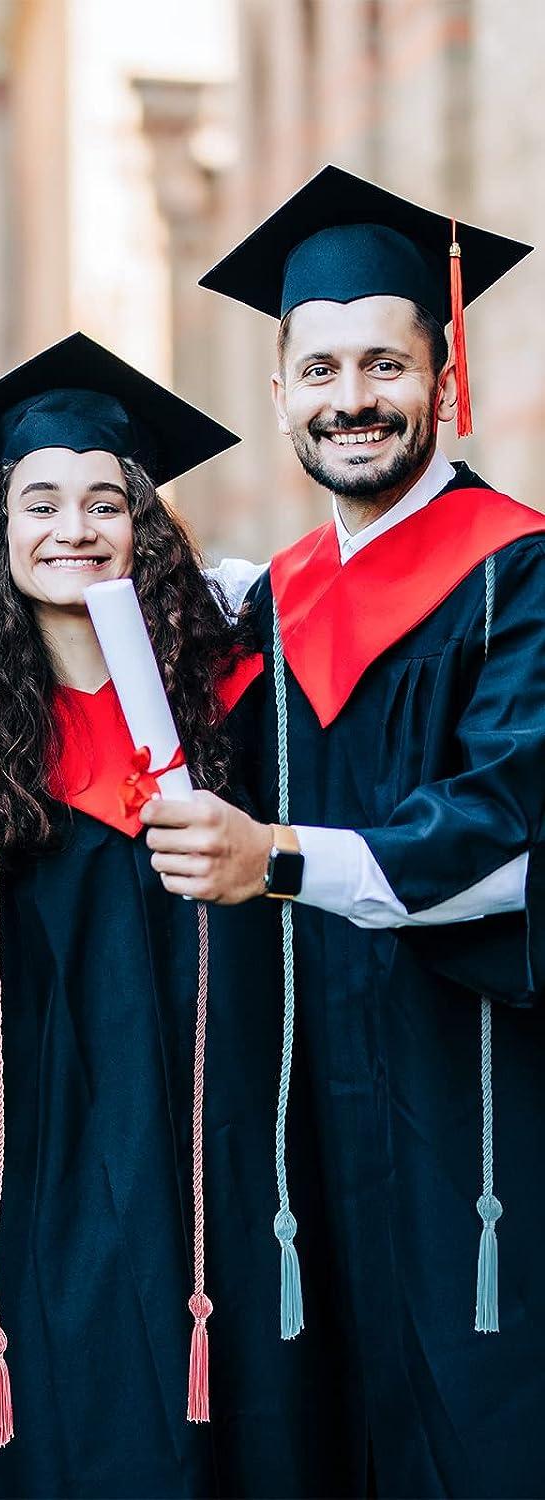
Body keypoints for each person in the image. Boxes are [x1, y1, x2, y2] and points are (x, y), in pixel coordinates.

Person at [142, 164, 545, 1496]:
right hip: (301, 1109)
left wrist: (283, 859)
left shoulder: (520, 573)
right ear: (279, 398)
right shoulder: (271, 606)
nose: (353, 398)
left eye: (385, 363)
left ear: (446, 376)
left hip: (478, 1101)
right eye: (319, 371)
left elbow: (504, 832)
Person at [0, 332, 345, 1495]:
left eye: (107, 501)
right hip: (48, 1164)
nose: (75, 528)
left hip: (232, 1143)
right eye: (39, 502)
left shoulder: (243, 707)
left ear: (146, 528)